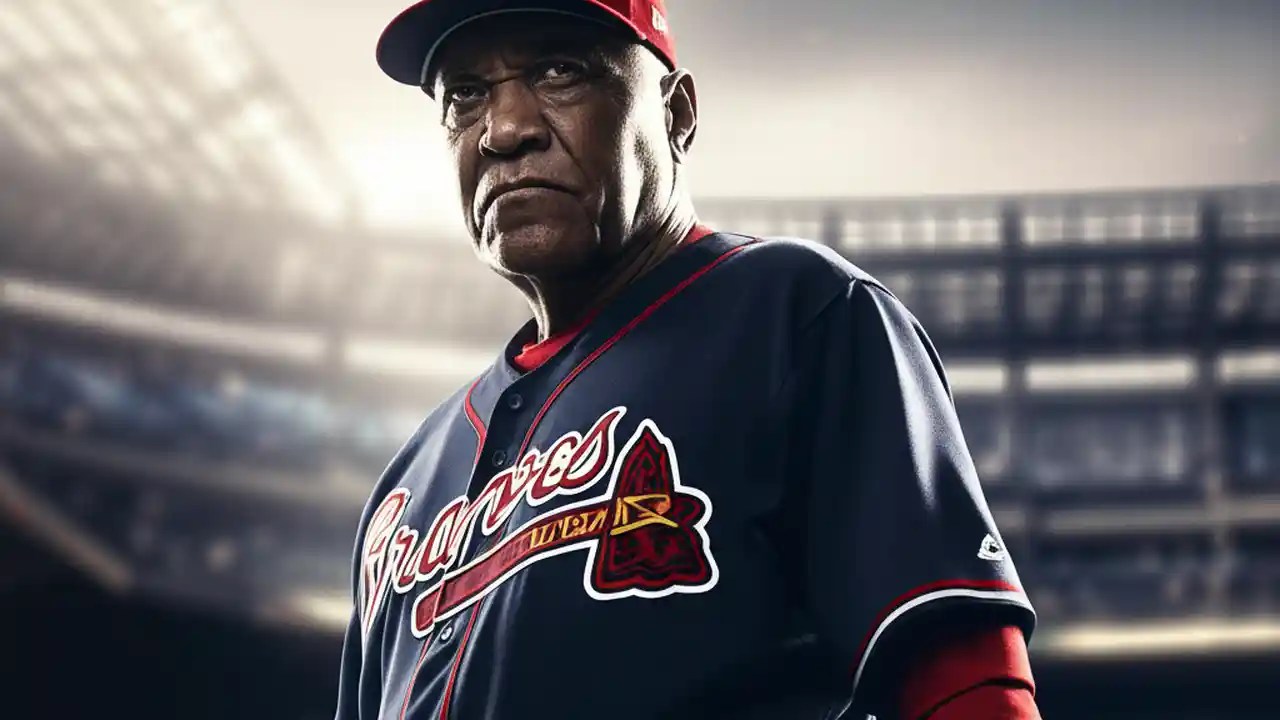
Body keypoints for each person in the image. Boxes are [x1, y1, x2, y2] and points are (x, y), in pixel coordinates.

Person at [335, 1, 1040, 718]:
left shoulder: (795, 316)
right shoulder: (408, 486)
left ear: (676, 115)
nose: (507, 129)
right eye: (465, 95)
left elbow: (966, 687)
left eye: (559, 71)